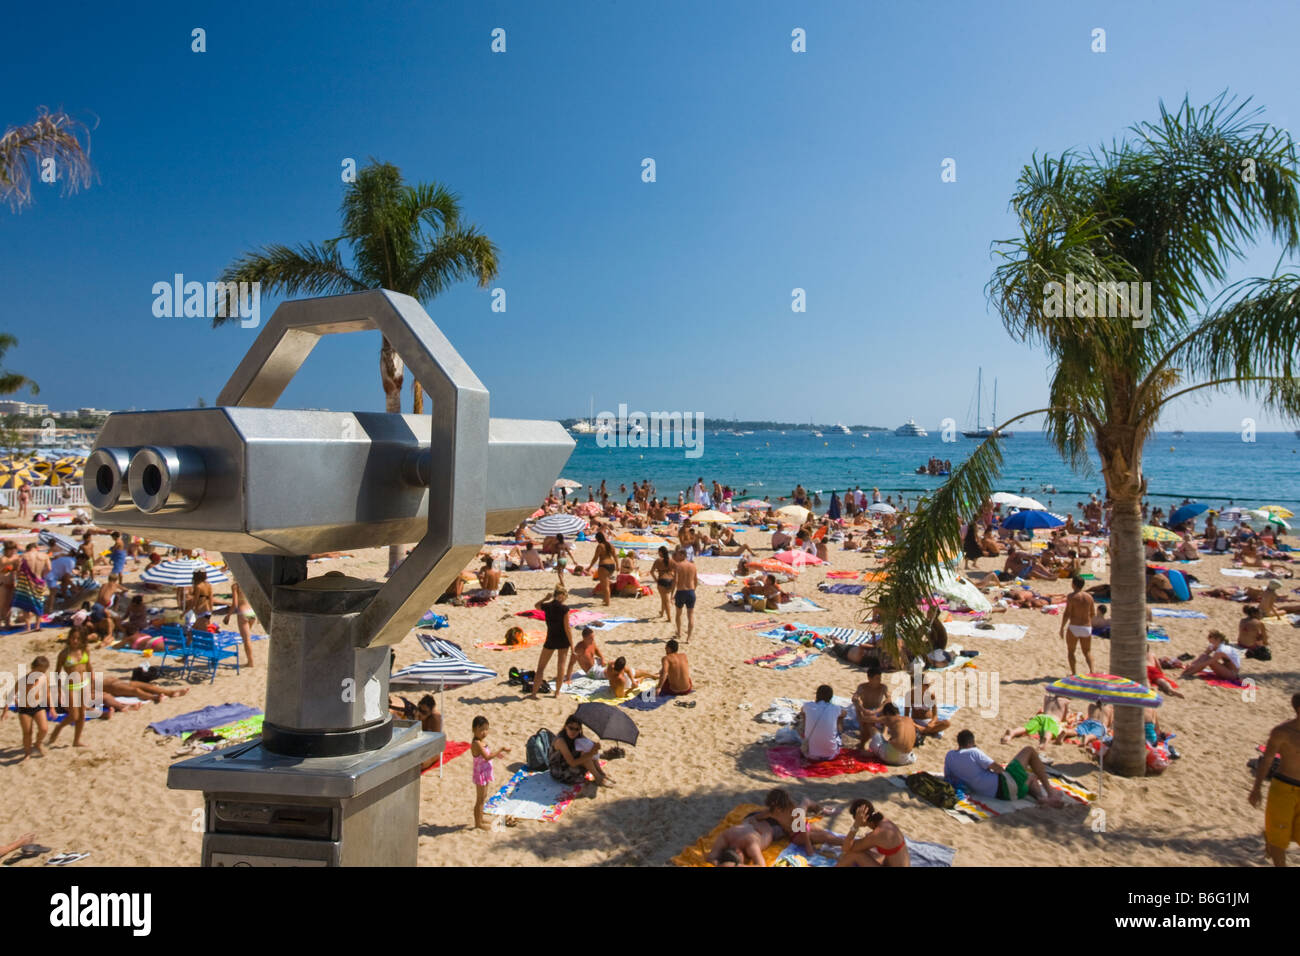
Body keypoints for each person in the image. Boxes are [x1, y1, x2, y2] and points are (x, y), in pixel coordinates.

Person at [943, 729, 1065, 807]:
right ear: (970, 743)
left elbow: (948, 776)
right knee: (1029, 751)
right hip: (1004, 785)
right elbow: (997, 768)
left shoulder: (949, 756)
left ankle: (1041, 798)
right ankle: (1050, 792)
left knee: (1030, 777)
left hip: (995, 794)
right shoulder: (973, 752)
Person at [1249, 693, 1300, 866]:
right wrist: (1256, 789)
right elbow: (1267, 760)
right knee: (1278, 839)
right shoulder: (1282, 733)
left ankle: (1269, 834)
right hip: (1284, 787)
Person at [1, 656, 56, 760]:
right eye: (38, 671)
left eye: (43, 672)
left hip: (38, 707)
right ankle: (27, 753)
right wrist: (5, 712)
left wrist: (52, 708)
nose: (40, 674)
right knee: (27, 732)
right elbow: (11, 695)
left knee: (44, 729)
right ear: (32, 667)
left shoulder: (44, 678)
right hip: (24, 709)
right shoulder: (23, 681)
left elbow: (48, 694)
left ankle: (38, 744)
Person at [48, 629, 93, 749]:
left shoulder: (85, 650)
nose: (75, 641)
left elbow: (89, 667)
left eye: (78, 639)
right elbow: (57, 672)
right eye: (73, 638)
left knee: (82, 715)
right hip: (71, 686)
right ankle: (59, 727)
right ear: (69, 638)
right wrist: (58, 689)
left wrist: (93, 683)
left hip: (84, 684)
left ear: (82, 640)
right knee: (74, 716)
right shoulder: (64, 654)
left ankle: (76, 740)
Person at [528, 586, 573, 699]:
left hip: (551, 638)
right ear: (562, 596)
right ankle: (557, 693)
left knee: (541, 668)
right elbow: (567, 628)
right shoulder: (564, 609)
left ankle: (534, 693)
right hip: (563, 639)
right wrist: (572, 644)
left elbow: (536, 606)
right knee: (561, 666)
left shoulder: (547, 606)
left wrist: (545, 598)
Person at [836, 799, 910, 867]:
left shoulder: (877, 833)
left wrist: (856, 825)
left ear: (862, 817)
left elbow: (846, 848)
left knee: (854, 855)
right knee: (866, 852)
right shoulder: (884, 822)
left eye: (855, 818)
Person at [471, 716, 511, 830]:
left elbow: (487, 754)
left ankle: (481, 817)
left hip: (485, 772)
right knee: (479, 799)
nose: (484, 732)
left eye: (486, 729)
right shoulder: (476, 743)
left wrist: (497, 754)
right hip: (480, 775)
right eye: (481, 729)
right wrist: (501, 749)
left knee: (483, 797)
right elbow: (487, 757)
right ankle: (478, 823)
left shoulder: (481, 742)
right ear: (474, 729)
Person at [550, 714, 610, 787]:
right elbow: (572, 763)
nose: (573, 732)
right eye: (571, 728)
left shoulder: (578, 736)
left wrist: (594, 747)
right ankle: (598, 778)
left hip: (568, 763)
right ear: (566, 727)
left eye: (577, 729)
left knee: (589, 749)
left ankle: (601, 773)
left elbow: (589, 746)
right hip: (559, 770)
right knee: (587, 756)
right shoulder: (560, 741)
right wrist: (591, 753)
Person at [1059, 575, 1096, 674]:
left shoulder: (1071, 597)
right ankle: (1092, 671)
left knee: (1071, 652)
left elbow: (1067, 613)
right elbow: (1092, 613)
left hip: (1074, 626)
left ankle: (1074, 673)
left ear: (1073, 584)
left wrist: (1062, 627)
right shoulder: (1089, 597)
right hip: (1086, 627)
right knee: (1087, 652)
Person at [796, 684, 844, 761]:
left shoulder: (808, 706)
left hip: (809, 754)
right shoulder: (835, 708)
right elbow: (844, 713)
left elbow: (802, 710)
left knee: (804, 715)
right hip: (831, 754)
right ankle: (838, 732)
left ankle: (806, 731)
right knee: (839, 718)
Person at [12, 543, 49, 631]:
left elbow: (17, 570)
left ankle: (28, 627)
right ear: (36, 548)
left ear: (28, 549)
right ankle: (37, 626)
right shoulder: (44, 555)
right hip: (39, 582)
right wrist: (42, 576)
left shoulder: (23, 556)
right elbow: (49, 568)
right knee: (39, 602)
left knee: (26, 605)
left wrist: (17, 580)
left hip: (27, 582)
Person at [223, 581, 257, 666]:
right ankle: (250, 660)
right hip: (252, 611)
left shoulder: (235, 586)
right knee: (247, 637)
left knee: (246, 640)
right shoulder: (250, 583)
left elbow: (235, 604)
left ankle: (250, 662)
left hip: (243, 612)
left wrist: (228, 616)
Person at [672, 546, 698, 641]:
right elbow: (696, 581)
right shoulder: (693, 566)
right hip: (691, 592)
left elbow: (676, 581)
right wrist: (693, 590)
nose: (676, 556)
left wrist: (672, 594)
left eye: (678, 554)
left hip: (681, 591)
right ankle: (689, 637)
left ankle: (679, 632)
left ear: (682, 555)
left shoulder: (678, 566)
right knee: (690, 615)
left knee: (678, 614)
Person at [586, 531, 617, 606]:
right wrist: (618, 566)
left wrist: (589, 567)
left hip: (604, 566)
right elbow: (615, 556)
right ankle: (605, 599)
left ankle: (607, 602)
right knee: (606, 583)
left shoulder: (600, 546)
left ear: (598, 539)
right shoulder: (610, 545)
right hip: (612, 565)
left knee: (605, 585)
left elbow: (595, 558)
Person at [651, 546, 674, 622]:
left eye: (658, 552)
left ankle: (669, 618)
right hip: (671, 580)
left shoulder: (658, 561)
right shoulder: (671, 560)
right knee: (664, 598)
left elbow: (652, 572)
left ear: (661, 552)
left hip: (662, 580)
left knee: (665, 600)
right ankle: (662, 613)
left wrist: (656, 580)